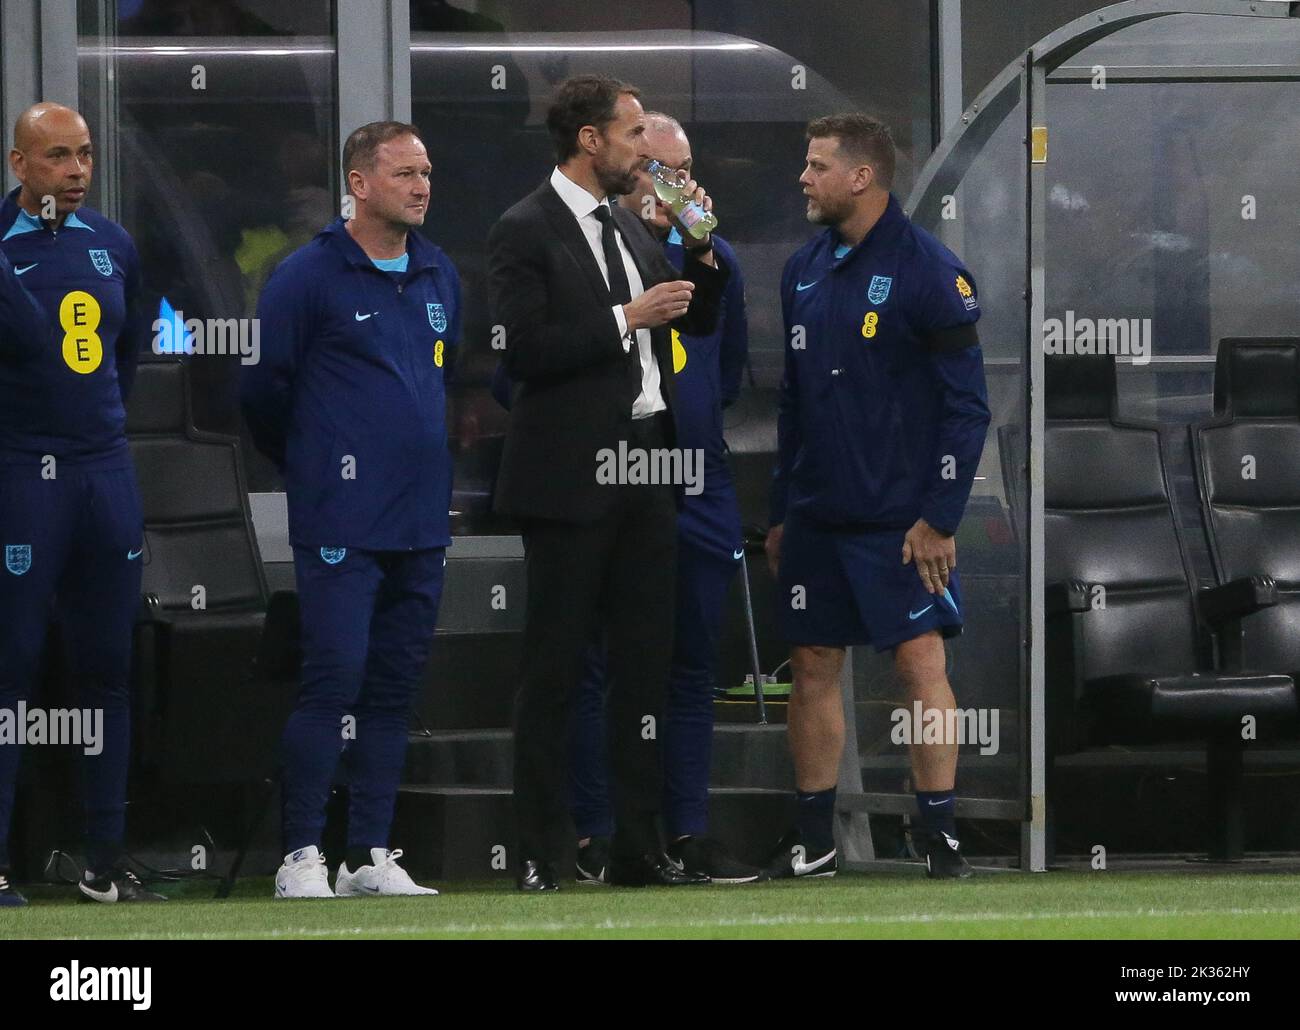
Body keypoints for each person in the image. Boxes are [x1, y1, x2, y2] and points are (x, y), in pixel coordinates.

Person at [487, 75, 728, 891]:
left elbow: (696, 316)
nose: (645, 151)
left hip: (645, 472)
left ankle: (636, 844)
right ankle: (539, 851)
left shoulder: (629, 224)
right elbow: (524, 353)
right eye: (631, 134)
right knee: (554, 671)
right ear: (588, 141)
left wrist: (700, 247)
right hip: (567, 477)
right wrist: (628, 316)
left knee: (643, 669)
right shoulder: (523, 227)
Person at [765, 113, 990, 880]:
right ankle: (813, 837)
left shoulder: (932, 271)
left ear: (860, 178)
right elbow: (792, 406)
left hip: (902, 519)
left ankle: (940, 834)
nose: (803, 177)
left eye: (817, 164)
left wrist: (940, 517)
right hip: (818, 514)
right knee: (812, 659)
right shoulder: (802, 270)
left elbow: (968, 410)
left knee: (919, 660)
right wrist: (779, 513)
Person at [241, 121, 460, 899]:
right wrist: (315, 465)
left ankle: (369, 854)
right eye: (404, 172)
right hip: (339, 518)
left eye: (426, 171)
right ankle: (300, 854)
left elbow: (445, 381)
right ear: (360, 183)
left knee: (394, 691)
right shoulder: (305, 276)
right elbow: (263, 392)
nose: (421, 185)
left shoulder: (438, 273)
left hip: (421, 521)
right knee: (332, 680)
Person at [567, 112, 759, 885]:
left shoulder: (718, 262)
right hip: (619, 470)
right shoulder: (591, 259)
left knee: (690, 667)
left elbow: (730, 373)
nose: (666, 189)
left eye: (680, 174)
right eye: (651, 171)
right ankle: (598, 833)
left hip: (699, 482)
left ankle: (688, 830)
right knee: (605, 664)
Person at [0, 103, 159, 905]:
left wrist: (94, 438)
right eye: (57, 156)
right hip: (25, 474)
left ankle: (103, 859)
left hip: (104, 472)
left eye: (86, 155)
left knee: (109, 669)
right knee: (12, 667)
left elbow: (125, 362)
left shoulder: (112, 245)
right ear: (19, 164)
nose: (76, 170)